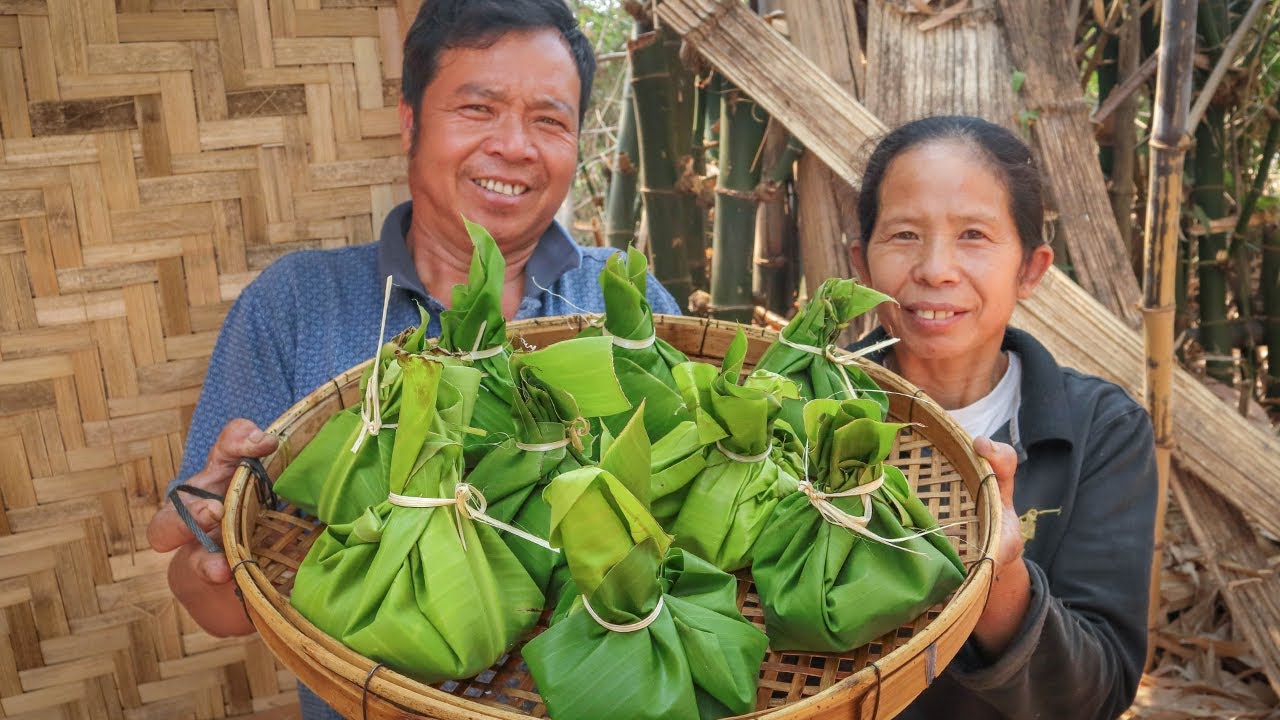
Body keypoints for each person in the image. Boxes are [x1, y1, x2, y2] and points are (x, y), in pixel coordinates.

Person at [146, 1, 679, 717]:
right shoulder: (296, 306)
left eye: (549, 120)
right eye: (479, 108)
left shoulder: (625, 298)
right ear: (410, 122)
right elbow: (213, 598)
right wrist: (216, 559)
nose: (515, 146)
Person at [848, 115, 1158, 719]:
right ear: (862, 263)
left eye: (973, 235)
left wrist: (999, 571)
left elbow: (1098, 695)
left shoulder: (1101, 430)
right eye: (905, 234)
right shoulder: (793, 411)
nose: (936, 268)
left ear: (1031, 269)